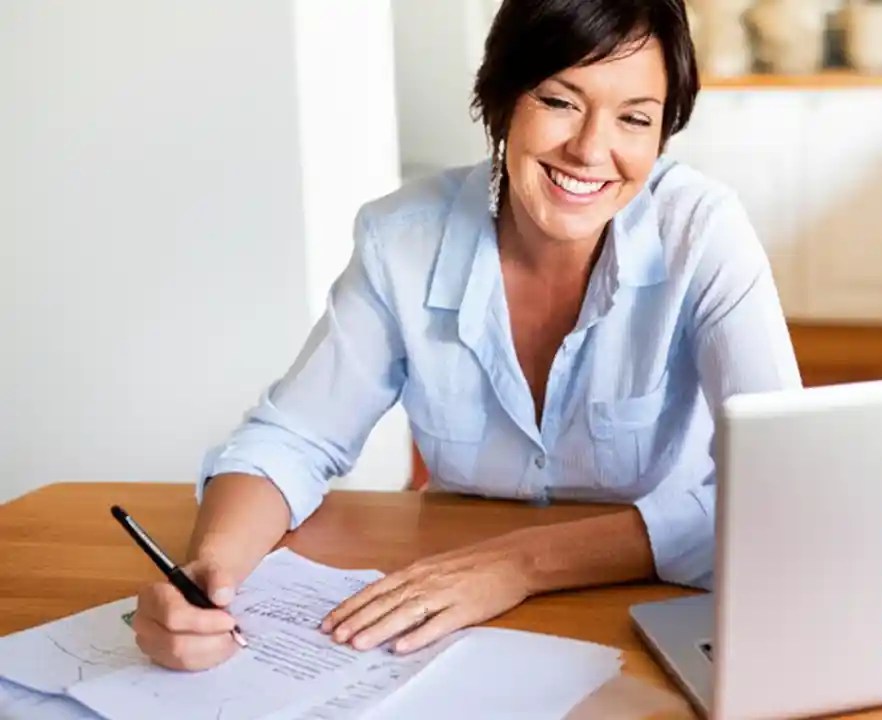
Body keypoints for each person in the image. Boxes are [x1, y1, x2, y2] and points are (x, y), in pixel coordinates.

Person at [131, 0, 801, 671]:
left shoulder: (703, 233)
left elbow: (784, 481)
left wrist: (520, 564)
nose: (592, 149)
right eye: (559, 100)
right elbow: (292, 439)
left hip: (646, 605)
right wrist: (210, 573)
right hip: (451, 625)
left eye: (634, 118)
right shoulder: (401, 239)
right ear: (504, 98)